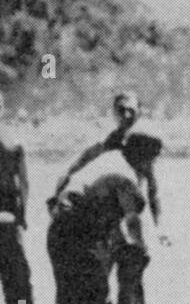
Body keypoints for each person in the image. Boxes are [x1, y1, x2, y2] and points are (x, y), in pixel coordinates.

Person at [36, 131, 163, 304]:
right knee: (76, 293)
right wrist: (141, 247)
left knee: (94, 289)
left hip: (71, 229)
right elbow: (132, 220)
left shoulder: (111, 159)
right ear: (141, 156)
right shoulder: (126, 176)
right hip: (72, 230)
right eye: (151, 159)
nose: (152, 166)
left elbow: (105, 211)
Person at [49, 92, 164, 236]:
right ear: (115, 113)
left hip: (128, 201)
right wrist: (65, 177)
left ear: (139, 112)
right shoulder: (111, 138)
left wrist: (159, 227)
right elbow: (84, 159)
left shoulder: (144, 141)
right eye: (122, 110)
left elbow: (153, 189)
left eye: (131, 111)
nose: (127, 116)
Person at [0, 92, 34, 304]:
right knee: (17, 273)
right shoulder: (14, 141)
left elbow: (24, 185)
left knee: (17, 272)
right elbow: (24, 185)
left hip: (8, 211)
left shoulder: (14, 142)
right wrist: (22, 216)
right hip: (9, 212)